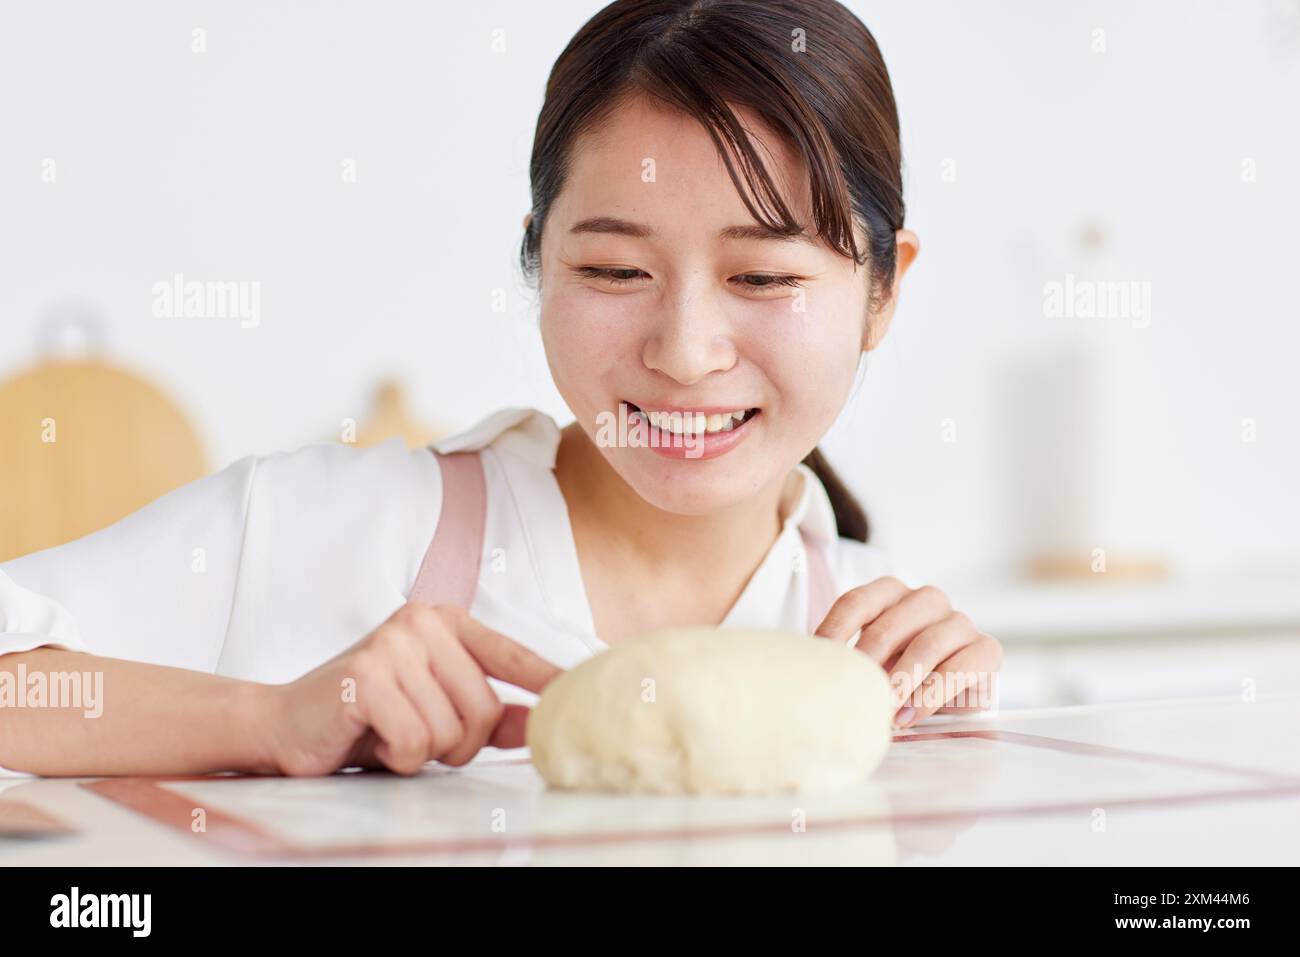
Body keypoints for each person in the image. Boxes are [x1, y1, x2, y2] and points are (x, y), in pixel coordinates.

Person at [0, 0, 1000, 778]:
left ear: (882, 292)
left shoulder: (870, 642)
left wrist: (961, 771)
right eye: (614, 272)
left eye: (764, 277)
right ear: (537, 259)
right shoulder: (335, 525)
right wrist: (266, 721)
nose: (686, 353)